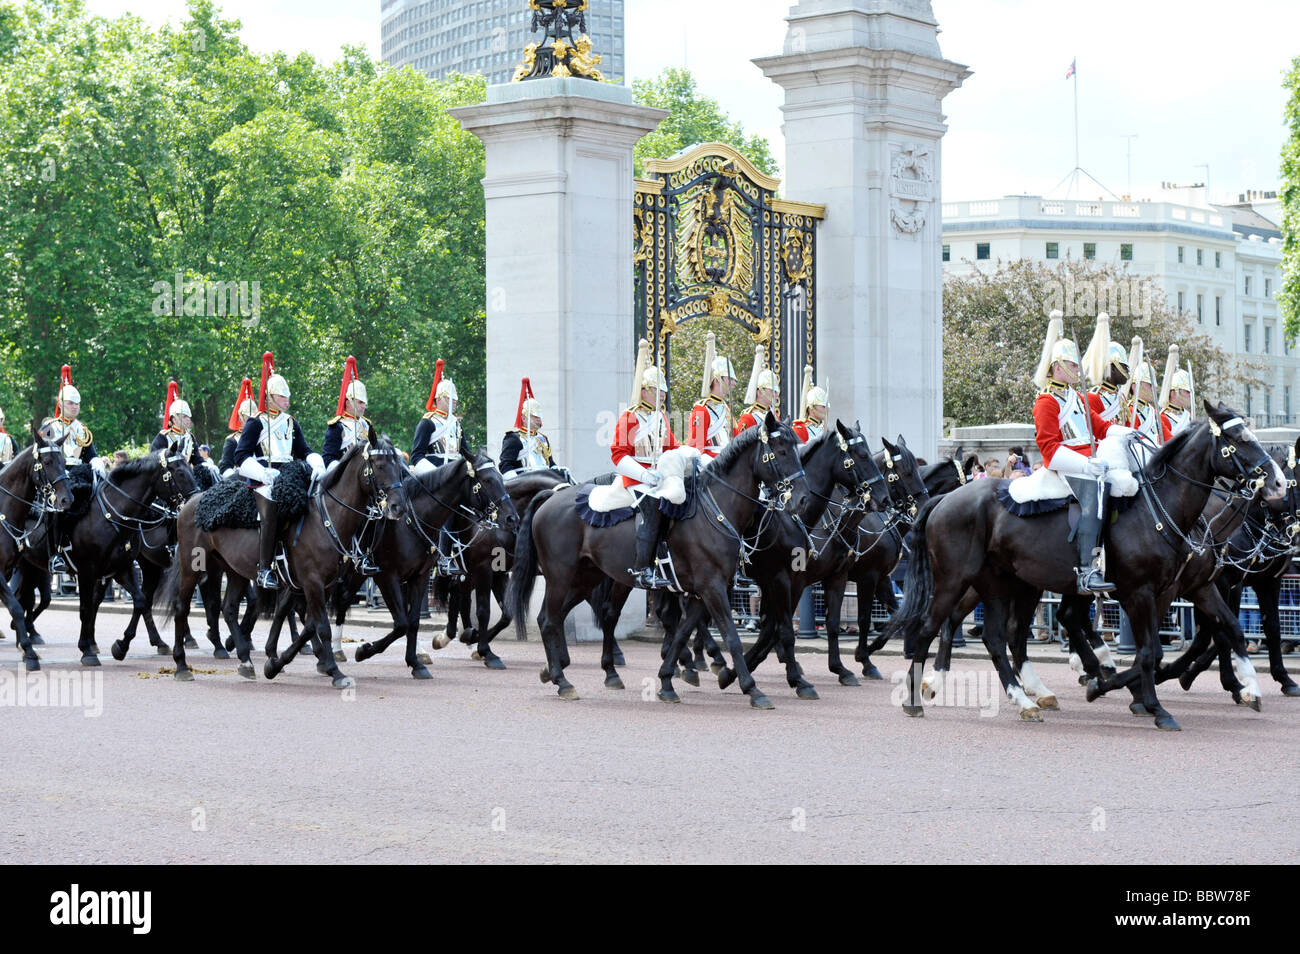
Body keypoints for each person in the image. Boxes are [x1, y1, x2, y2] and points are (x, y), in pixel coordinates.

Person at [1032, 311, 1120, 594]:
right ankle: (1086, 569)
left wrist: (1130, 434)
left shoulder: (1078, 398)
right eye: (1071, 364)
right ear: (1057, 367)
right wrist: (1085, 465)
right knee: (1094, 496)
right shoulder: (1046, 401)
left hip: (1089, 459)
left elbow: (1102, 427)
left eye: (1076, 363)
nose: (1077, 368)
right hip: (1068, 463)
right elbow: (1048, 448)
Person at [234, 352, 323, 590]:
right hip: (263, 480)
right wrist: (263, 473)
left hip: (290, 477)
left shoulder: (291, 422)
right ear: (270, 397)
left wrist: (316, 462)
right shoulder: (256, 422)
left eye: (287, 396)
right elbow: (241, 456)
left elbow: (304, 450)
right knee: (270, 512)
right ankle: (264, 569)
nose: (286, 400)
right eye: (281, 396)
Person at [612, 339, 679, 590]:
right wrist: (643, 474)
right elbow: (618, 455)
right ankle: (643, 568)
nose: (663, 395)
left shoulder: (661, 417)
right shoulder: (630, 416)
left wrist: (690, 455)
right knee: (652, 509)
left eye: (663, 391)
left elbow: (672, 447)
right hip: (636, 479)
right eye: (658, 390)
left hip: (658, 477)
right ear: (644, 390)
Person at [42, 364, 104, 573]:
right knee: (57, 507)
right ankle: (56, 554)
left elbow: (90, 454)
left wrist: (96, 461)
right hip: (57, 476)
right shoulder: (50, 427)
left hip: (80, 475)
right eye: (70, 403)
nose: (75, 407)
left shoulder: (81, 429)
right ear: (61, 403)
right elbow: (44, 456)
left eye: (77, 403)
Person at [687, 333, 737, 459]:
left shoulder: (726, 408)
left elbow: (736, 438)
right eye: (729, 379)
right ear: (717, 380)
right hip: (710, 466)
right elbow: (696, 448)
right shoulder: (701, 409)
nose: (734, 383)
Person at [322, 356, 377, 468]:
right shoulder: (337, 426)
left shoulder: (366, 425)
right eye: (360, 403)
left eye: (364, 403)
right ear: (348, 403)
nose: (364, 407)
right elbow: (329, 458)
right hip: (346, 473)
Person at [500, 377, 559, 476]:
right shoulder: (513, 438)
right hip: (526, 484)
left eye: (539, 416)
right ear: (524, 418)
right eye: (535, 416)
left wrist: (559, 470)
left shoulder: (543, 439)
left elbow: (550, 463)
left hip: (546, 480)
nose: (538, 419)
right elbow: (505, 466)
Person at [411, 359, 462, 473]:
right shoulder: (427, 422)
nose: (454, 401)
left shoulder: (456, 423)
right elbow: (416, 456)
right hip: (436, 472)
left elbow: (464, 452)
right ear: (439, 399)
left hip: (458, 471)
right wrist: (436, 474)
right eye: (450, 398)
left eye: (455, 398)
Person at [735, 346, 780, 434]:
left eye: (776, 391)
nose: (776, 395)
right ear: (760, 392)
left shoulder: (775, 416)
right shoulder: (748, 417)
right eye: (772, 391)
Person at [219, 378, 256, 478]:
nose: (251, 420)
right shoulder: (232, 440)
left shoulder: (262, 437)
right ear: (240, 417)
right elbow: (225, 468)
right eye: (248, 417)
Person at [1159, 345, 1194, 441]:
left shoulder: (1190, 417)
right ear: (1174, 393)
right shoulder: (1162, 417)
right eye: (1186, 391)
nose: (1190, 395)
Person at [791, 364, 828, 444]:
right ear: (811, 408)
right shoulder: (800, 429)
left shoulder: (824, 429)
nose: (825, 409)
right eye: (822, 406)